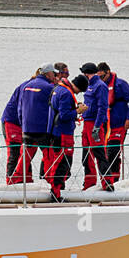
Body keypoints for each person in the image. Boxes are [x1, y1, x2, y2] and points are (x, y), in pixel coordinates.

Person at [91, 63, 129, 190]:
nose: (101, 79)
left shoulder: (121, 84)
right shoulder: (98, 86)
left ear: (108, 72)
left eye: (103, 76)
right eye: (98, 77)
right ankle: (106, 181)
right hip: (104, 126)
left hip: (119, 124)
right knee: (103, 154)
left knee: (113, 153)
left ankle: (114, 181)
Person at [43, 71, 81, 202]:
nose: (78, 94)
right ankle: (56, 193)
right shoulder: (66, 93)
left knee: (58, 162)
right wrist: (77, 111)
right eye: (79, 91)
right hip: (63, 134)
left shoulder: (58, 88)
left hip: (55, 132)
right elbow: (64, 115)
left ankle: (56, 191)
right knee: (63, 164)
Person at [19, 63, 59, 186]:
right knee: (48, 155)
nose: (55, 75)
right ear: (47, 74)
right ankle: (49, 182)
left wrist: (22, 124)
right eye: (54, 73)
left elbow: (20, 107)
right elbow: (54, 108)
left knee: (25, 157)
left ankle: (15, 180)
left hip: (27, 127)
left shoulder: (27, 86)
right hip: (42, 129)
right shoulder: (49, 88)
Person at [79, 62, 102, 189]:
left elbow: (102, 108)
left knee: (99, 154)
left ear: (87, 73)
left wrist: (97, 126)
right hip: (86, 122)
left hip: (94, 123)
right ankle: (89, 183)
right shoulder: (89, 86)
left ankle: (106, 182)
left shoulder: (99, 86)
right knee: (86, 155)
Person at [2, 79, 28, 184]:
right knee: (14, 152)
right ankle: (10, 181)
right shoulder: (27, 87)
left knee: (25, 152)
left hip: (22, 124)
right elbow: (21, 108)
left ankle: (24, 179)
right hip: (12, 122)